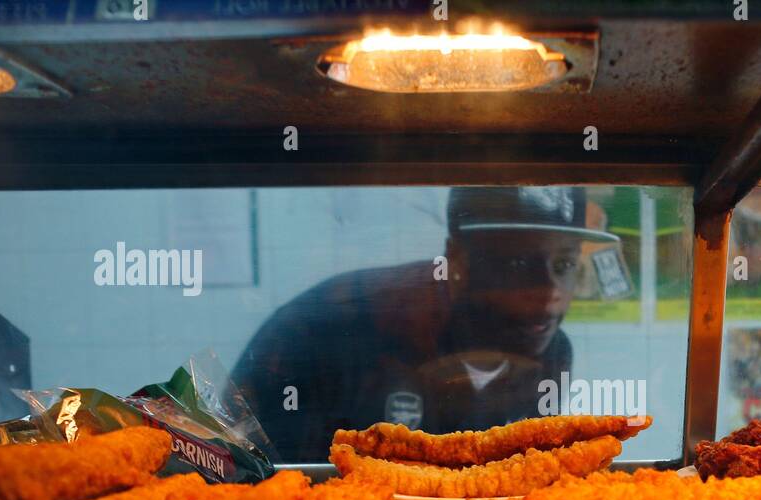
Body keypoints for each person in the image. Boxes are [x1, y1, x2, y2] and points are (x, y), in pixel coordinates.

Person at [232, 186, 619, 460]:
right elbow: (257, 478)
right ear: (458, 261)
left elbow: (518, 482)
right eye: (518, 264)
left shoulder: (550, 351)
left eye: (564, 264)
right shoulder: (325, 333)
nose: (549, 291)